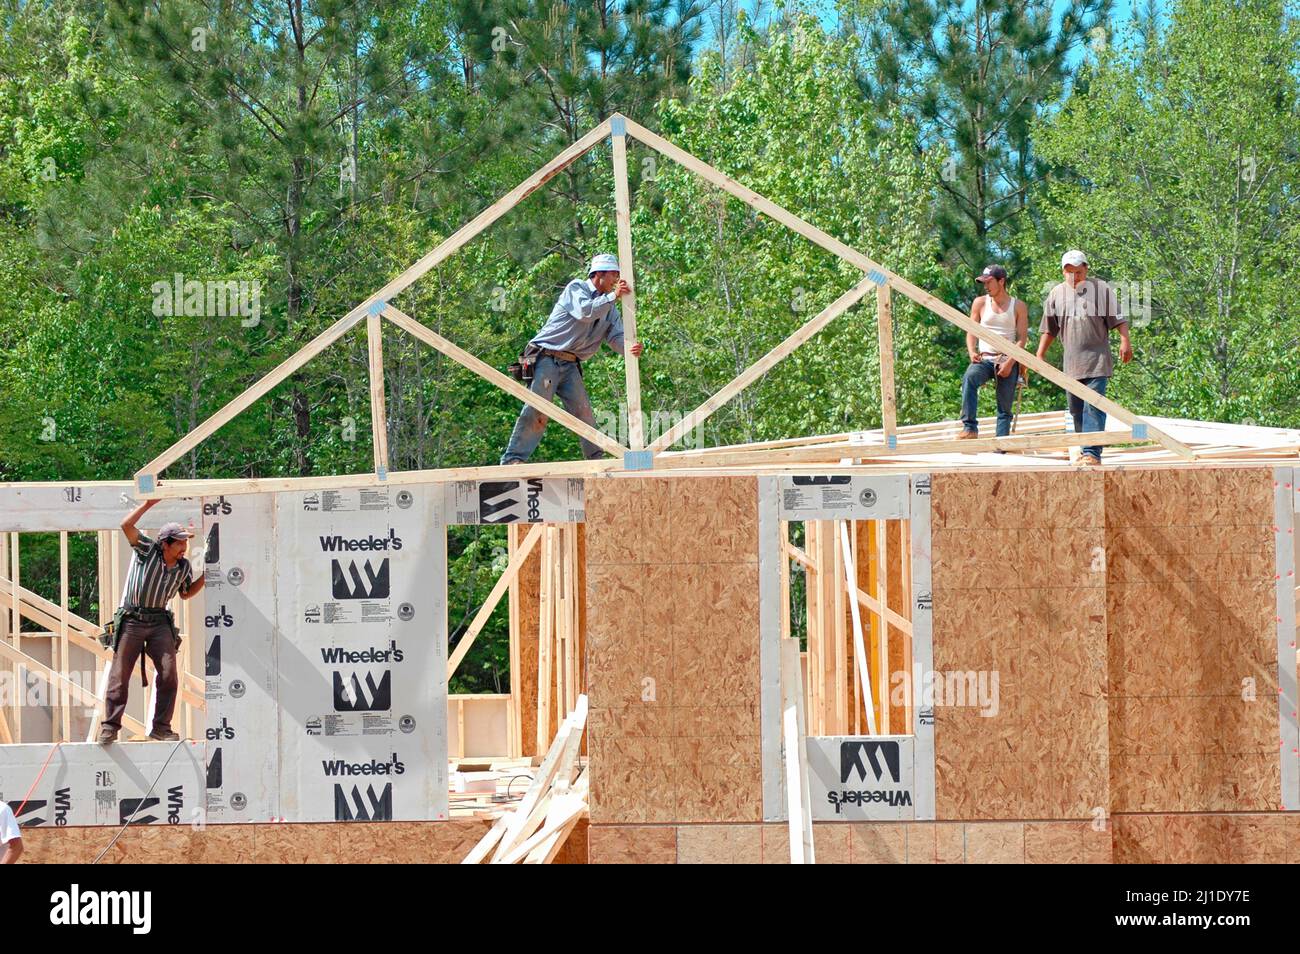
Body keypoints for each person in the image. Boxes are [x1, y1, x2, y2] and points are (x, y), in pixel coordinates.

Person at [500, 254, 644, 464]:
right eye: (614, 274)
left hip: (569, 363)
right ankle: (513, 459)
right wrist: (613, 296)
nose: (616, 279)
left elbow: (615, 336)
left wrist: (629, 348)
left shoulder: (609, 308)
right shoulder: (577, 288)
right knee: (539, 407)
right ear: (599, 274)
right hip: (547, 357)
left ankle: (595, 459)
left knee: (583, 412)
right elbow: (585, 312)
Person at [97, 500, 205, 744]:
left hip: (159, 622)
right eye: (179, 543)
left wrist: (206, 577)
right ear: (165, 543)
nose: (184, 547)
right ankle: (110, 726)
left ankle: (161, 727)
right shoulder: (148, 550)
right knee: (120, 673)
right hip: (133, 618)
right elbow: (126, 525)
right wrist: (148, 503)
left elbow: (186, 594)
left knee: (168, 674)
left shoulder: (183, 567)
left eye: (185, 542)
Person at [1034, 250, 1132, 466]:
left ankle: (1092, 452)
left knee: (1094, 406)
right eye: (1070, 273)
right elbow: (1049, 329)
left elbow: (1118, 319)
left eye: (1079, 272)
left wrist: (1125, 341)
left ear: (1086, 269)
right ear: (1063, 272)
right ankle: (1083, 450)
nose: (1074, 277)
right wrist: (1040, 355)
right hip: (1072, 364)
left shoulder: (1100, 290)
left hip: (1096, 361)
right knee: (1076, 410)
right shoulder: (1056, 294)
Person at [958, 265, 1028, 439]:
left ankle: (1001, 443)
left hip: (1007, 359)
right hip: (985, 358)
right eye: (984, 283)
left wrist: (1010, 362)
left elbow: (1021, 339)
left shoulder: (1018, 306)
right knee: (970, 378)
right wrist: (971, 351)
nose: (986, 286)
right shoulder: (980, 303)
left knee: (1004, 406)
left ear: (1001, 281)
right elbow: (971, 330)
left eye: (989, 282)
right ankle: (970, 428)